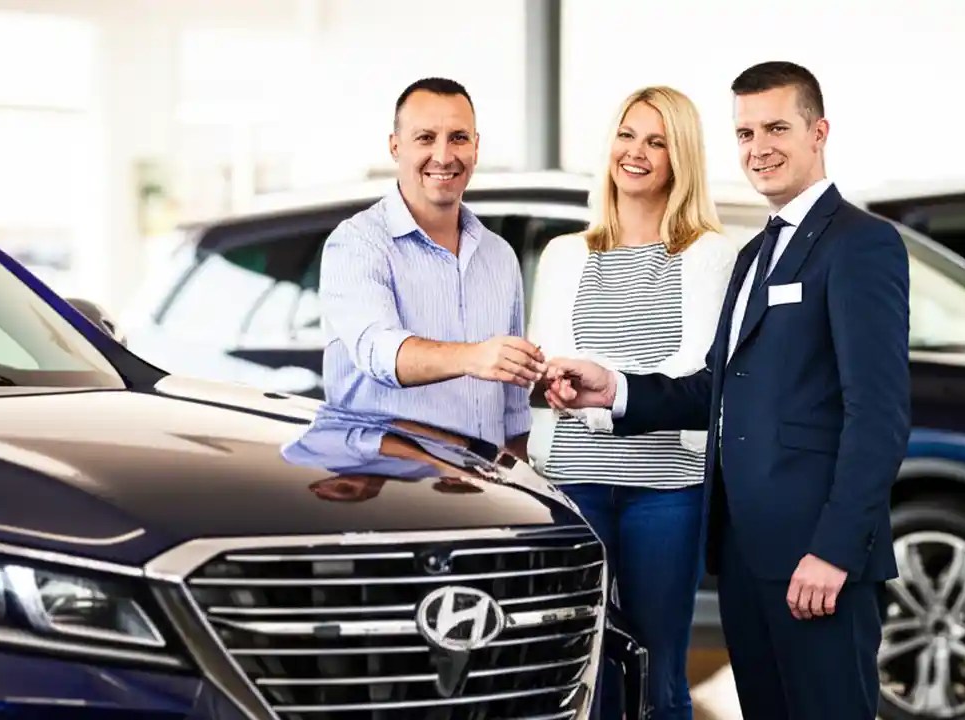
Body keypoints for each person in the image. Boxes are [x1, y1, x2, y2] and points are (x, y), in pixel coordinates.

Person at [543, 61, 910, 720]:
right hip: (745, 558)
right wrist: (615, 390)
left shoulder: (861, 244)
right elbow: (715, 388)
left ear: (819, 132)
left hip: (814, 559)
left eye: (776, 128)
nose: (759, 147)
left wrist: (834, 551)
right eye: (745, 133)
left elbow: (878, 415)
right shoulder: (755, 255)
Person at [527, 86, 736, 720]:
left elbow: (699, 382)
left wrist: (600, 392)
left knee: (658, 675)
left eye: (656, 141)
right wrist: (552, 384)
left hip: (666, 490)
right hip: (572, 486)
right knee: (578, 671)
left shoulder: (711, 255)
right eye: (627, 134)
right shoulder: (565, 255)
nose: (635, 152)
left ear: (681, 158)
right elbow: (546, 365)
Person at [318, 77, 542, 457]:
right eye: (425, 138)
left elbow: (514, 413)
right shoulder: (357, 243)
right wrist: (474, 357)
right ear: (395, 146)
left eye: (458, 138)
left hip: (485, 485)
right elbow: (380, 352)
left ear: (476, 147)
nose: (443, 155)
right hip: (394, 487)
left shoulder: (499, 256)